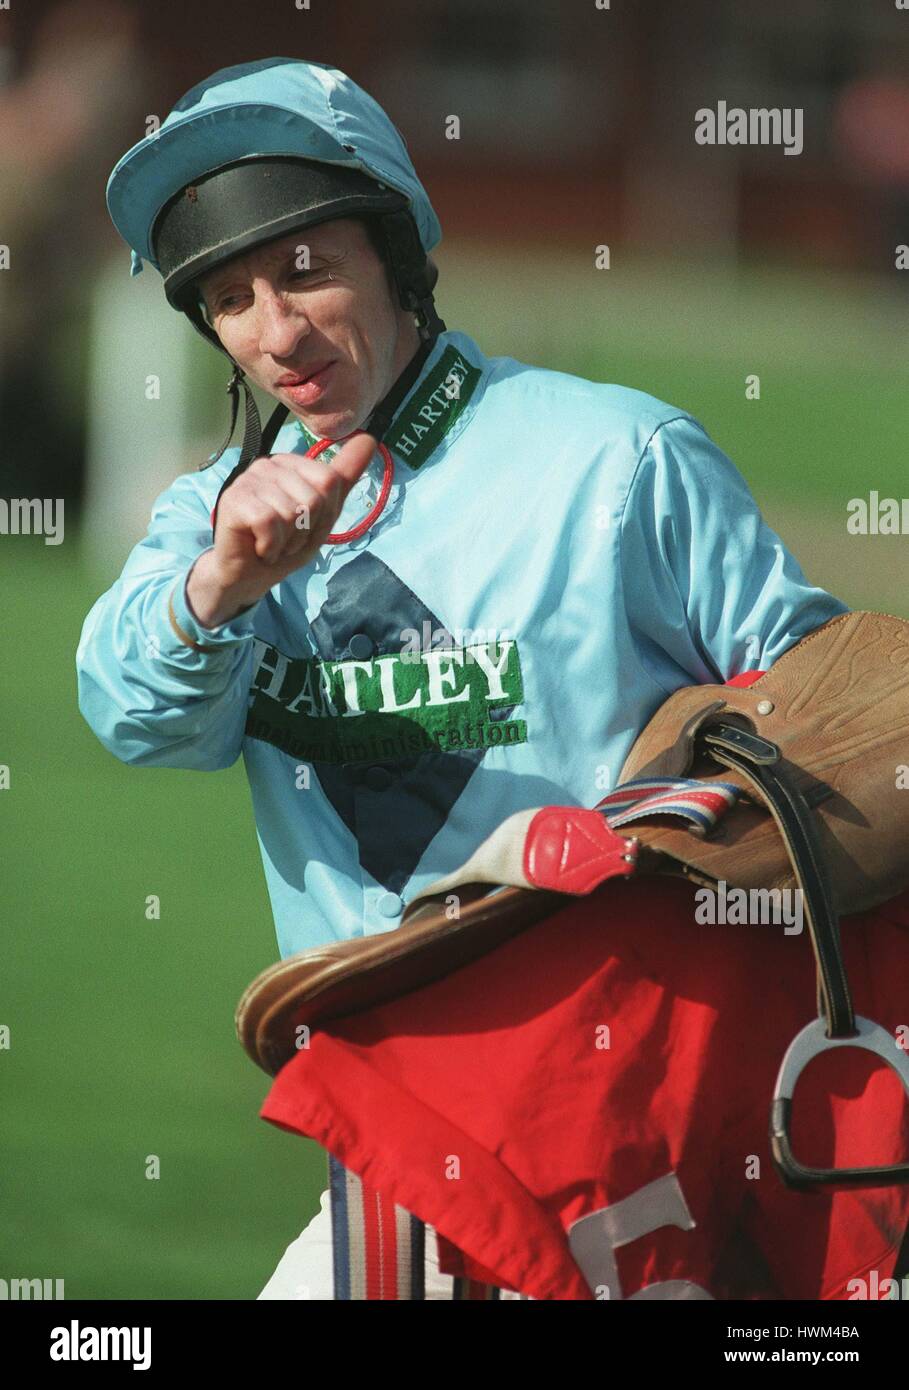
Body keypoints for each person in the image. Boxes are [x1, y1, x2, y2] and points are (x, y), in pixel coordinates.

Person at [76, 58, 850, 1299]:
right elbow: (128, 716)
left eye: (308, 269)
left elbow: (829, 736)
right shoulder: (209, 520)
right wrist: (217, 586)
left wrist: (646, 839)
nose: (275, 331)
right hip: (389, 1118)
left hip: (633, 1103)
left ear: (396, 254)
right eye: (230, 297)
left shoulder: (620, 459)